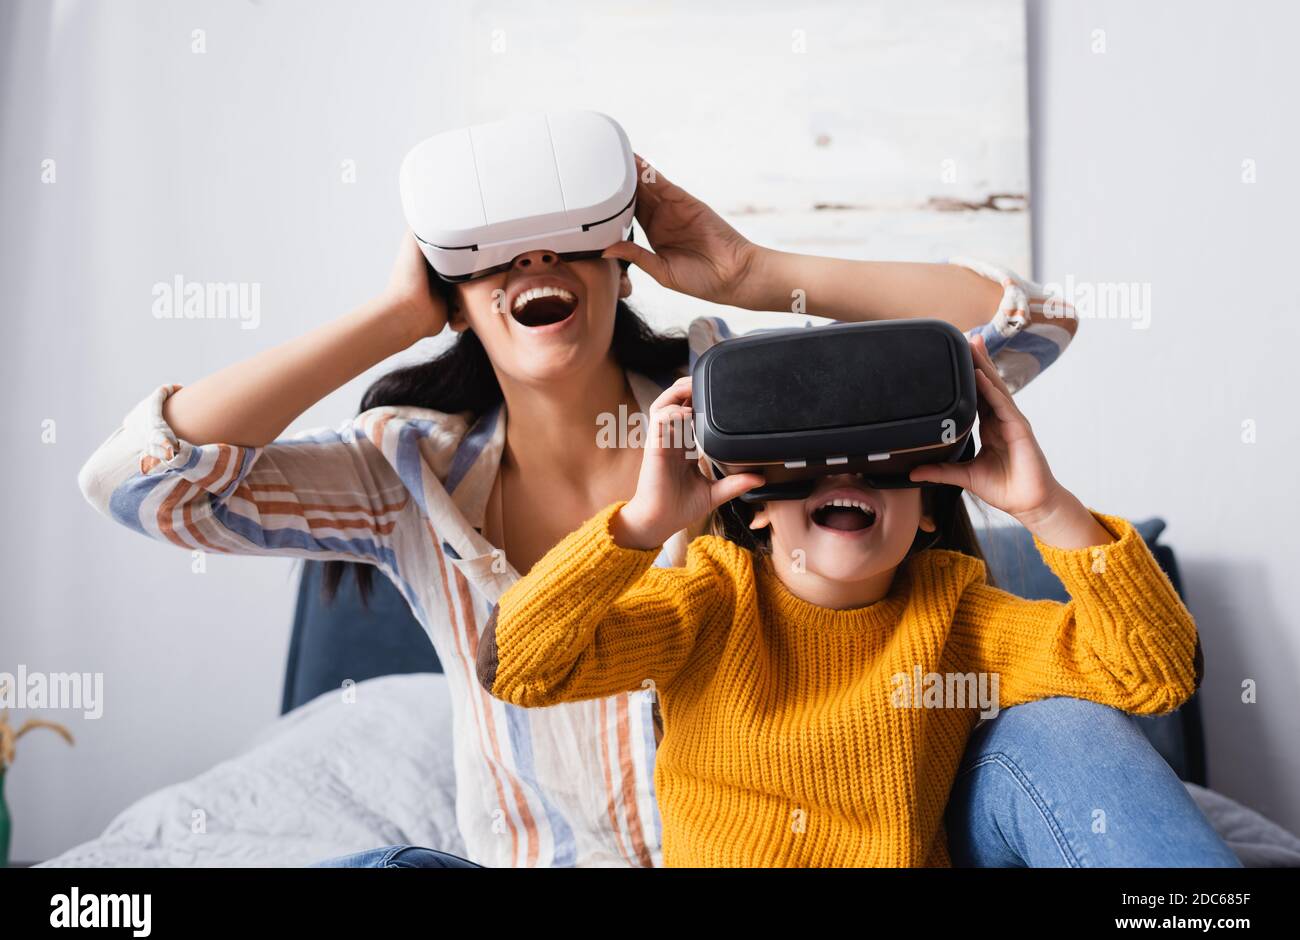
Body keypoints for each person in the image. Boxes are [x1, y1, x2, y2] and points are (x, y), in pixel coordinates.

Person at [80, 156, 1230, 867]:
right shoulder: (404, 469)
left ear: (618, 269)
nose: (536, 266)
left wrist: (743, 267)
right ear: (455, 289)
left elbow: (1023, 330)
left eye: (570, 244)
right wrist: (392, 319)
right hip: (549, 864)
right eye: (491, 258)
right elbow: (149, 484)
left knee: (1067, 728)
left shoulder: (745, 403)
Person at [478, 338, 1240, 867]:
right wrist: (640, 526)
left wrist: (1046, 507)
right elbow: (520, 665)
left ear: (932, 508)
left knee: (1068, 724)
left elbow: (1157, 672)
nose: (842, 475)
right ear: (757, 508)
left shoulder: (957, 617)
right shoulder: (710, 599)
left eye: (878, 462)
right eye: (805, 463)